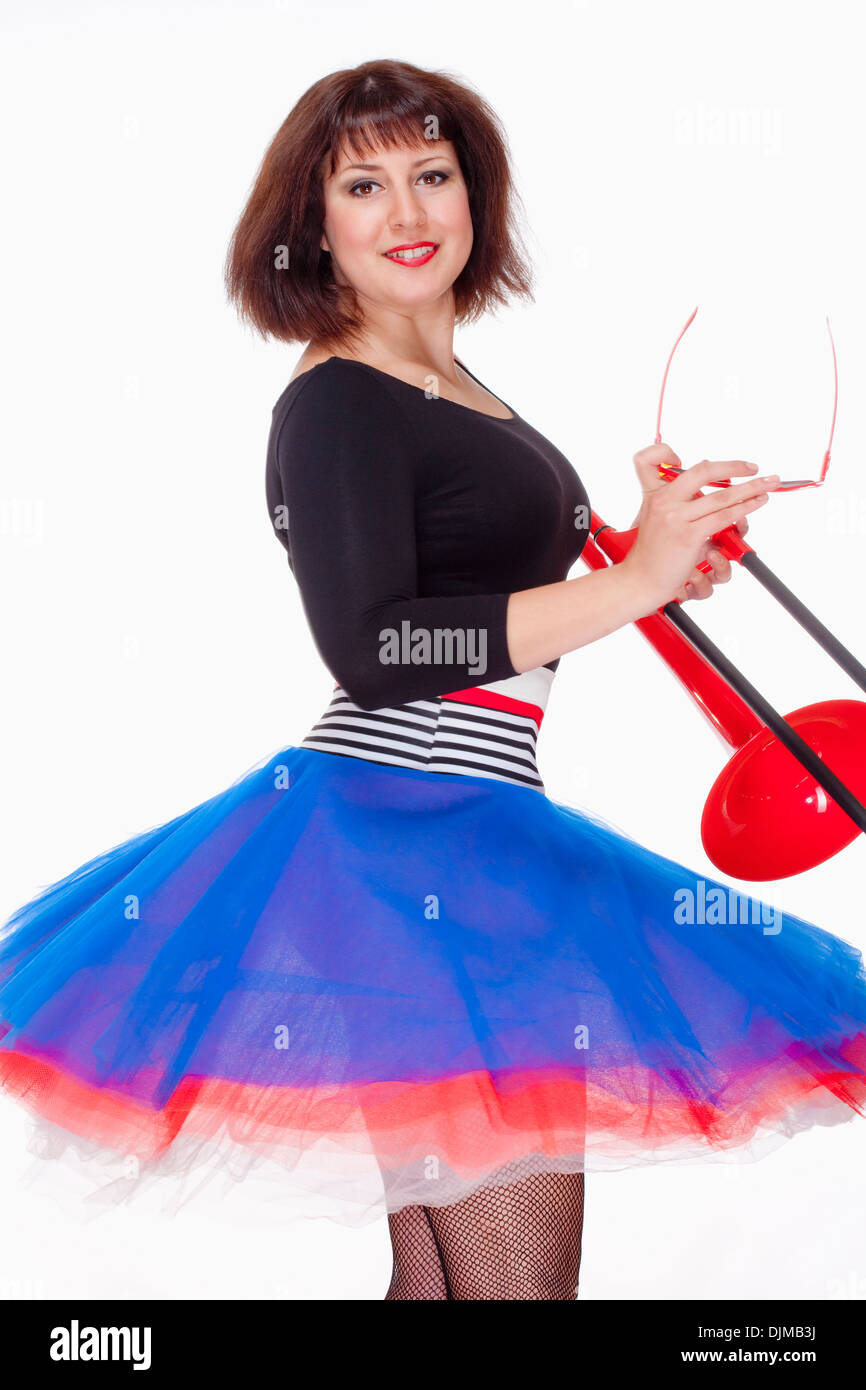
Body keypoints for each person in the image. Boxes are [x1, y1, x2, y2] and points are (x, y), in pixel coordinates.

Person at [2, 58, 865, 1302]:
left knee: (447, 1291)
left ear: (475, 197)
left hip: (458, 834)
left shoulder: (457, 392)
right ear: (314, 224)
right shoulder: (338, 402)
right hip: (409, 836)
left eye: (431, 175)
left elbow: (478, 604)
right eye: (365, 184)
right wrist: (628, 584)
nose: (407, 214)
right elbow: (372, 647)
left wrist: (654, 549)